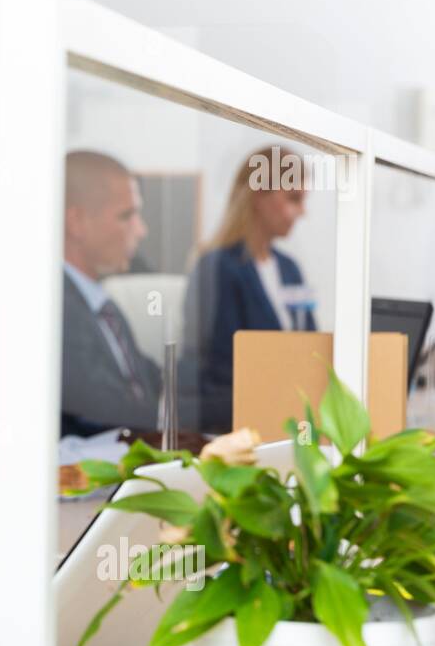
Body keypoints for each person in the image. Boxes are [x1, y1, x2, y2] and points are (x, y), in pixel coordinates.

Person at [183, 145, 316, 433]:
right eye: (294, 199)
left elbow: (311, 346)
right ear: (259, 197)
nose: (302, 212)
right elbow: (220, 368)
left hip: (290, 414)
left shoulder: (290, 269)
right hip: (239, 422)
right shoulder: (217, 267)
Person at [58, 151, 162, 437]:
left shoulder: (103, 306)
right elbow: (105, 410)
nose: (141, 230)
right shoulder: (55, 311)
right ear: (76, 222)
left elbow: (150, 380)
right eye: (126, 216)